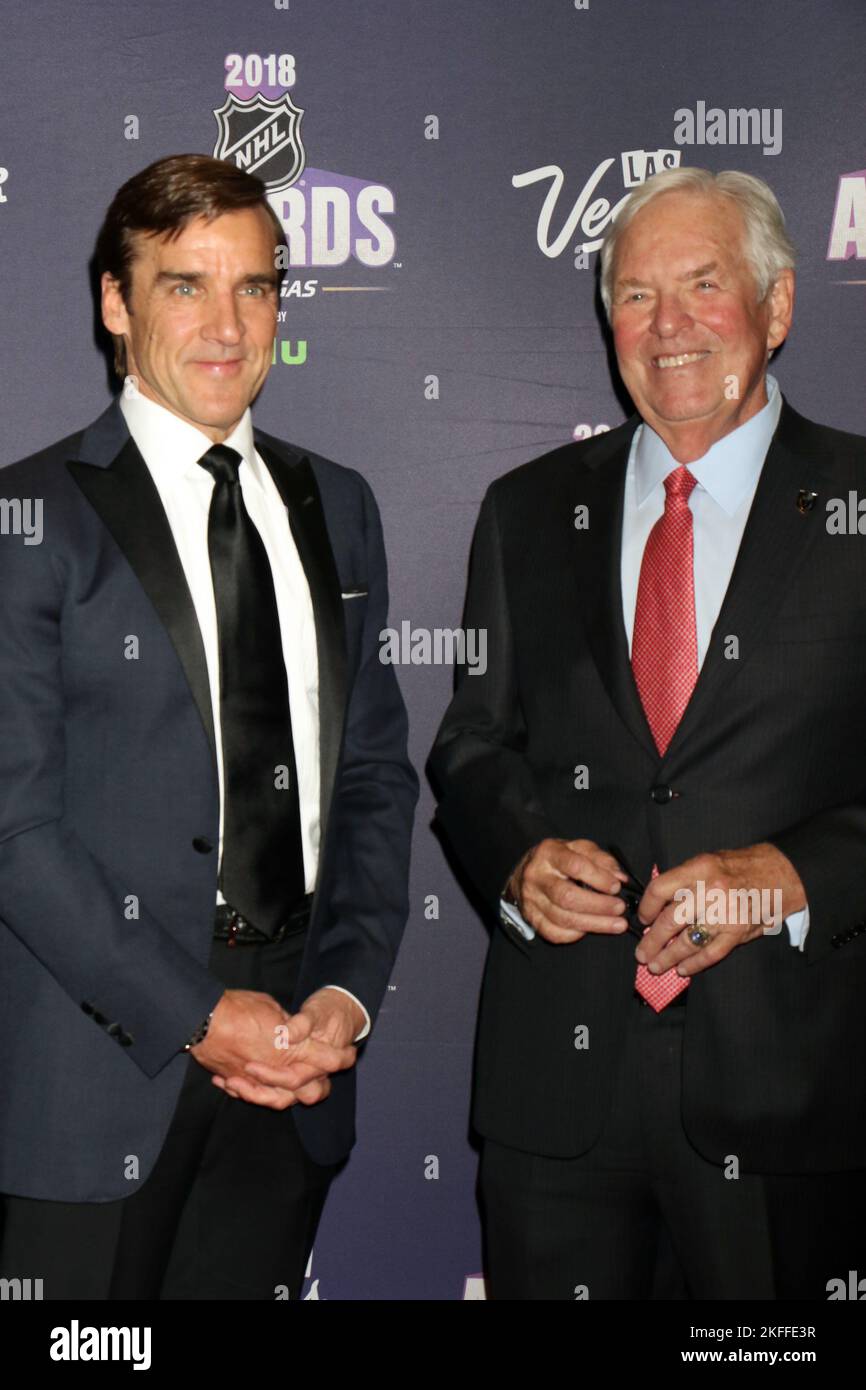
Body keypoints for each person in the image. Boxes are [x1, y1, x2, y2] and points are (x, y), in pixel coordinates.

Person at [429, 166, 866, 1300]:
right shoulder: (525, 511)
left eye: (701, 285)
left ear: (773, 309)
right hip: (554, 1105)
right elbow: (471, 746)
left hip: (789, 1092)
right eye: (633, 294)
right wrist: (519, 856)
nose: (665, 326)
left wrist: (788, 873)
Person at [0, 153, 418, 1300]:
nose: (228, 325)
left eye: (256, 286)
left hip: (293, 1072)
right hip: (96, 1081)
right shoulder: (29, 518)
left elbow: (376, 777)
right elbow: (14, 831)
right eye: (185, 285)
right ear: (115, 305)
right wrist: (195, 1013)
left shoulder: (341, 505)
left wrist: (342, 996)